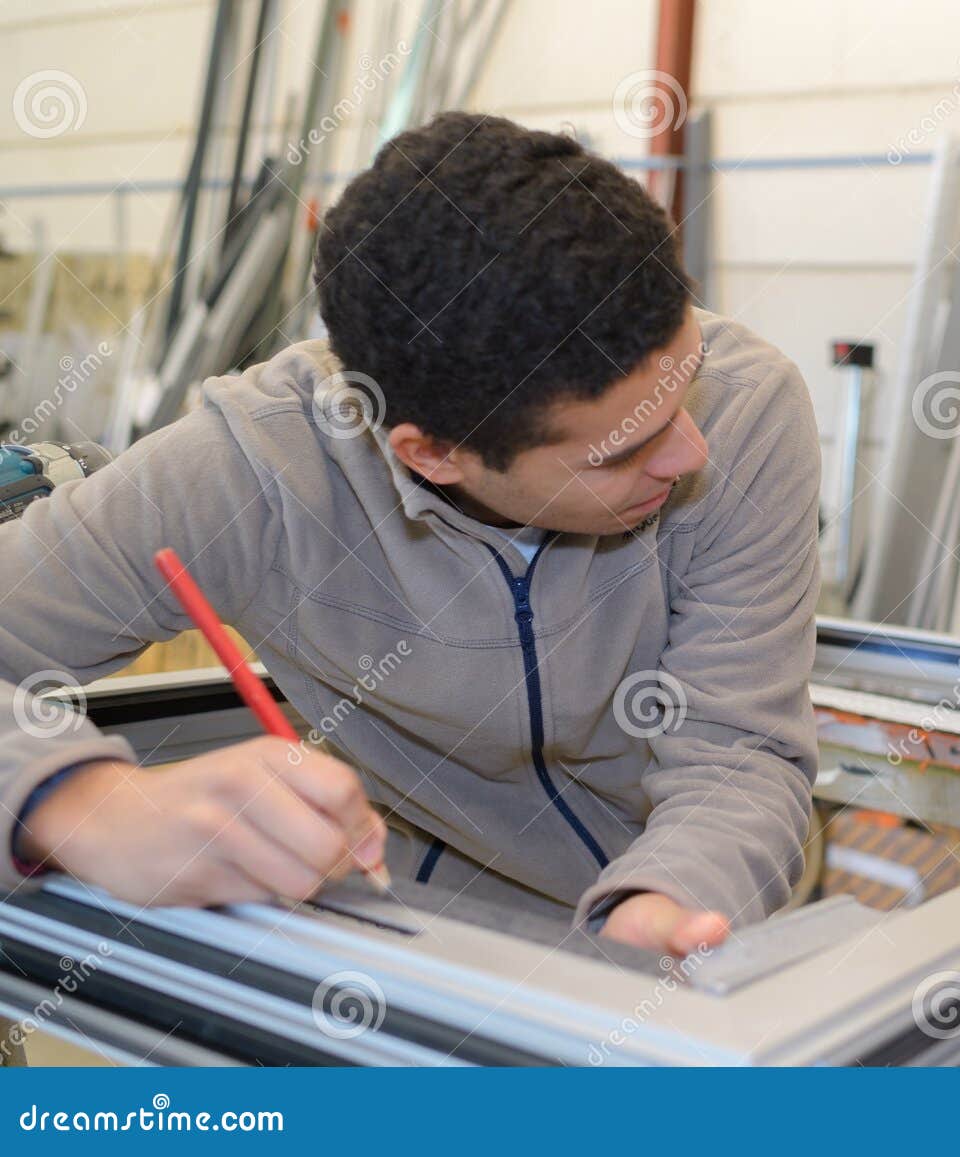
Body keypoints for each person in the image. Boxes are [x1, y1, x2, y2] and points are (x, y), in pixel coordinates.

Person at [0, 113, 821, 960]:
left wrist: (666, 906)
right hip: (429, 938)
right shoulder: (254, 468)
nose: (691, 452)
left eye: (686, 387)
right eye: (624, 450)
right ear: (432, 454)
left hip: (683, 920)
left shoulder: (751, 406)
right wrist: (77, 802)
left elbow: (739, 751)